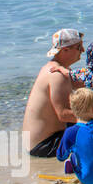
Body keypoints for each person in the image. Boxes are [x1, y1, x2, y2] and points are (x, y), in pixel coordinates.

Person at [22, 29, 83, 157]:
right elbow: (64, 115)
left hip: (40, 142)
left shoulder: (56, 68)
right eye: (79, 47)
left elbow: (87, 83)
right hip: (45, 145)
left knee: (91, 115)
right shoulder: (56, 76)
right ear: (65, 50)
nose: (82, 50)